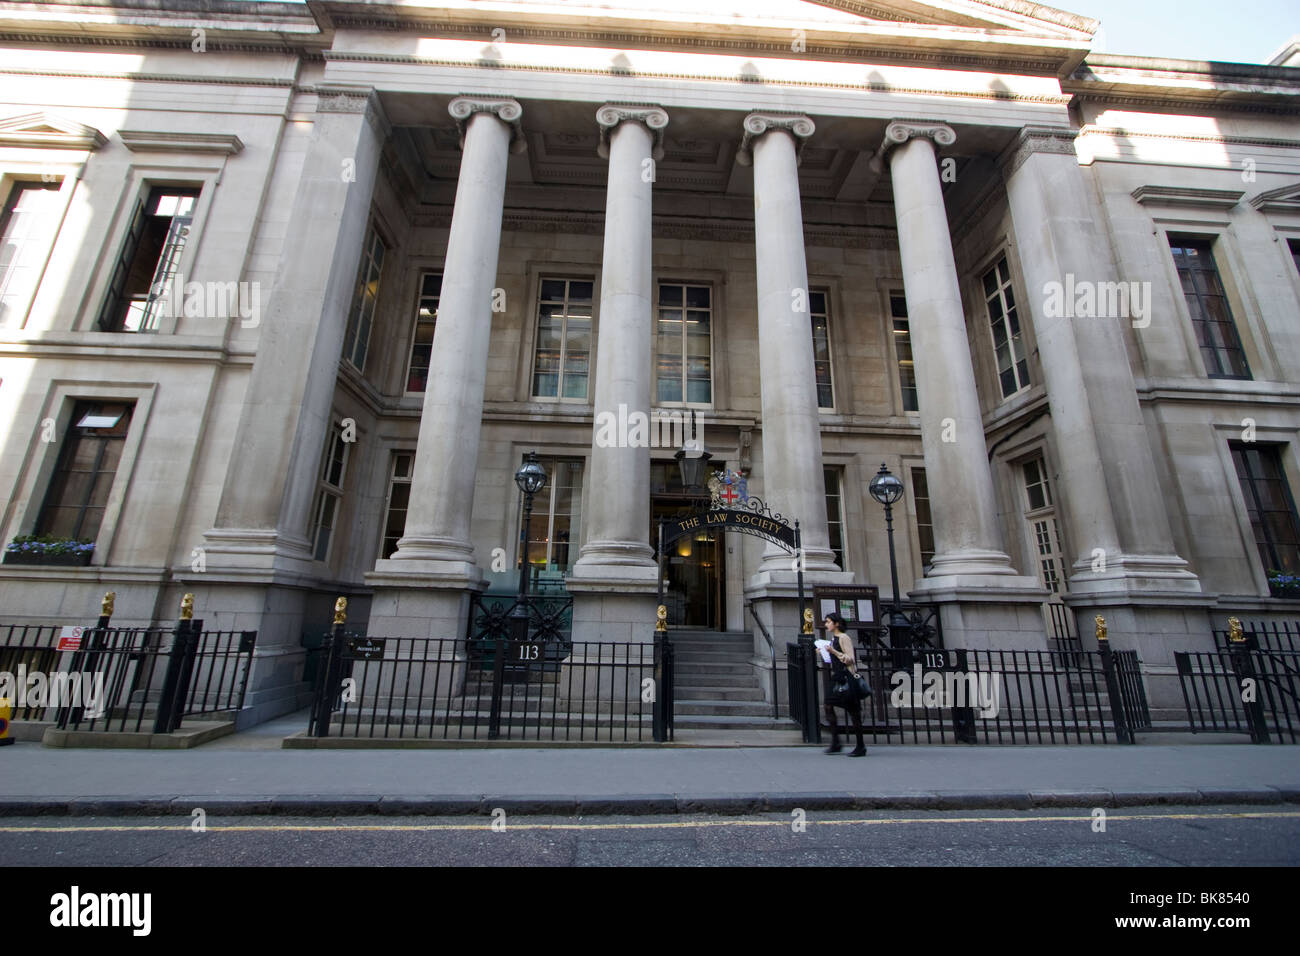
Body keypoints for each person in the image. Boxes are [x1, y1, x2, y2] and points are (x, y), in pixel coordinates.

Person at [821, 611, 866, 757]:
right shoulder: (834, 638)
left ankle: (860, 746)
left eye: (828, 622)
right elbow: (834, 659)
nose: (826, 624)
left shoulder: (844, 637)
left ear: (836, 624)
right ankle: (836, 742)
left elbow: (850, 659)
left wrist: (833, 651)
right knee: (828, 705)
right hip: (838, 677)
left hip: (847, 677)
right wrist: (823, 651)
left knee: (854, 712)